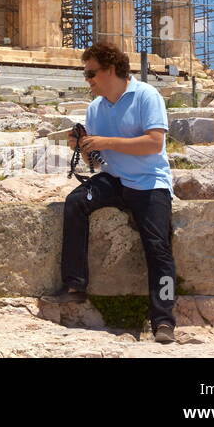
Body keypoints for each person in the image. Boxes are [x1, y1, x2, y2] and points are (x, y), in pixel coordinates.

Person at [54, 42, 177, 345]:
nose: (89, 80)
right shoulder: (95, 108)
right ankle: (75, 284)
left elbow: (154, 144)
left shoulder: (147, 95)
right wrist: (83, 148)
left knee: (158, 247)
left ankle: (163, 320)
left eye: (92, 74)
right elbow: (96, 163)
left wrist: (106, 141)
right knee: (76, 202)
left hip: (150, 182)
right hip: (114, 179)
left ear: (110, 69)